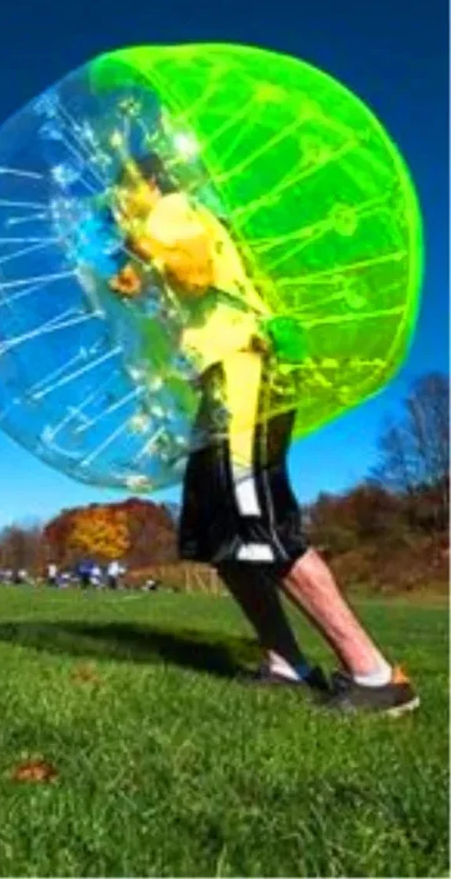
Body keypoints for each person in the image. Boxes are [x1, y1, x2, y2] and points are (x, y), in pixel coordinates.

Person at [107, 152, 418, 716]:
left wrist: (144, 252)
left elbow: (196, 270)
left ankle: (376, 674)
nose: (113, 204)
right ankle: (287, 665)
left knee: (260, 524)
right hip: (217, 380)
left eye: (119, 190)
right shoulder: (161, 223)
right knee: (218, 538)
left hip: (244, 370)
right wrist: (138, 275)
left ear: (147, 182)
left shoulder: (173, 208)